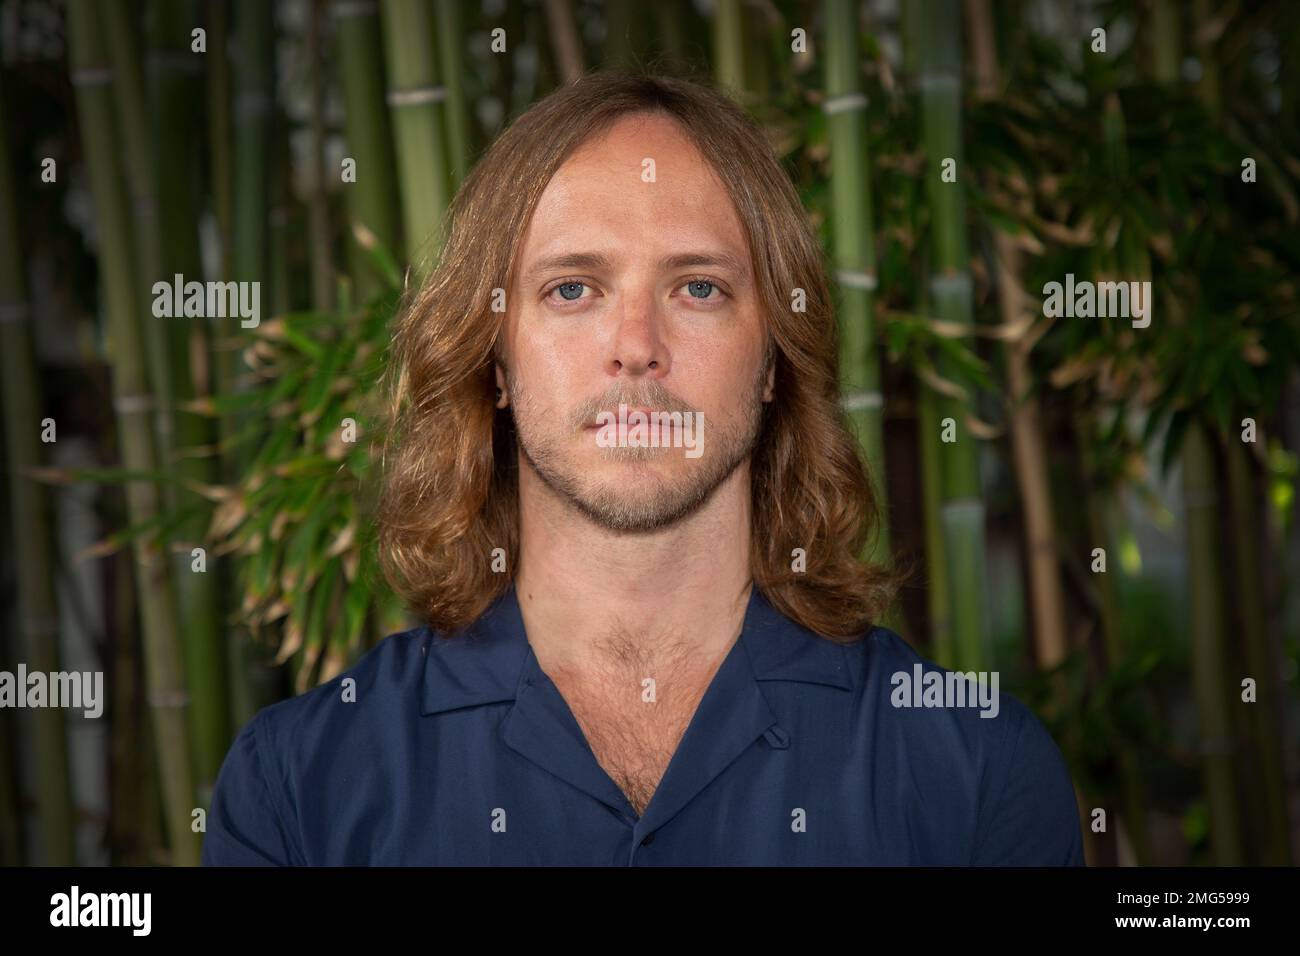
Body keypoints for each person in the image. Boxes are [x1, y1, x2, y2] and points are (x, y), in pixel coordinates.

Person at [202, 71, 1084, 866]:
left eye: (697, 288)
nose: (636, 349)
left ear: (775, 358)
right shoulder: (299, 790)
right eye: (573, 289)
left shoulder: (974, 772)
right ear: (495, 362)